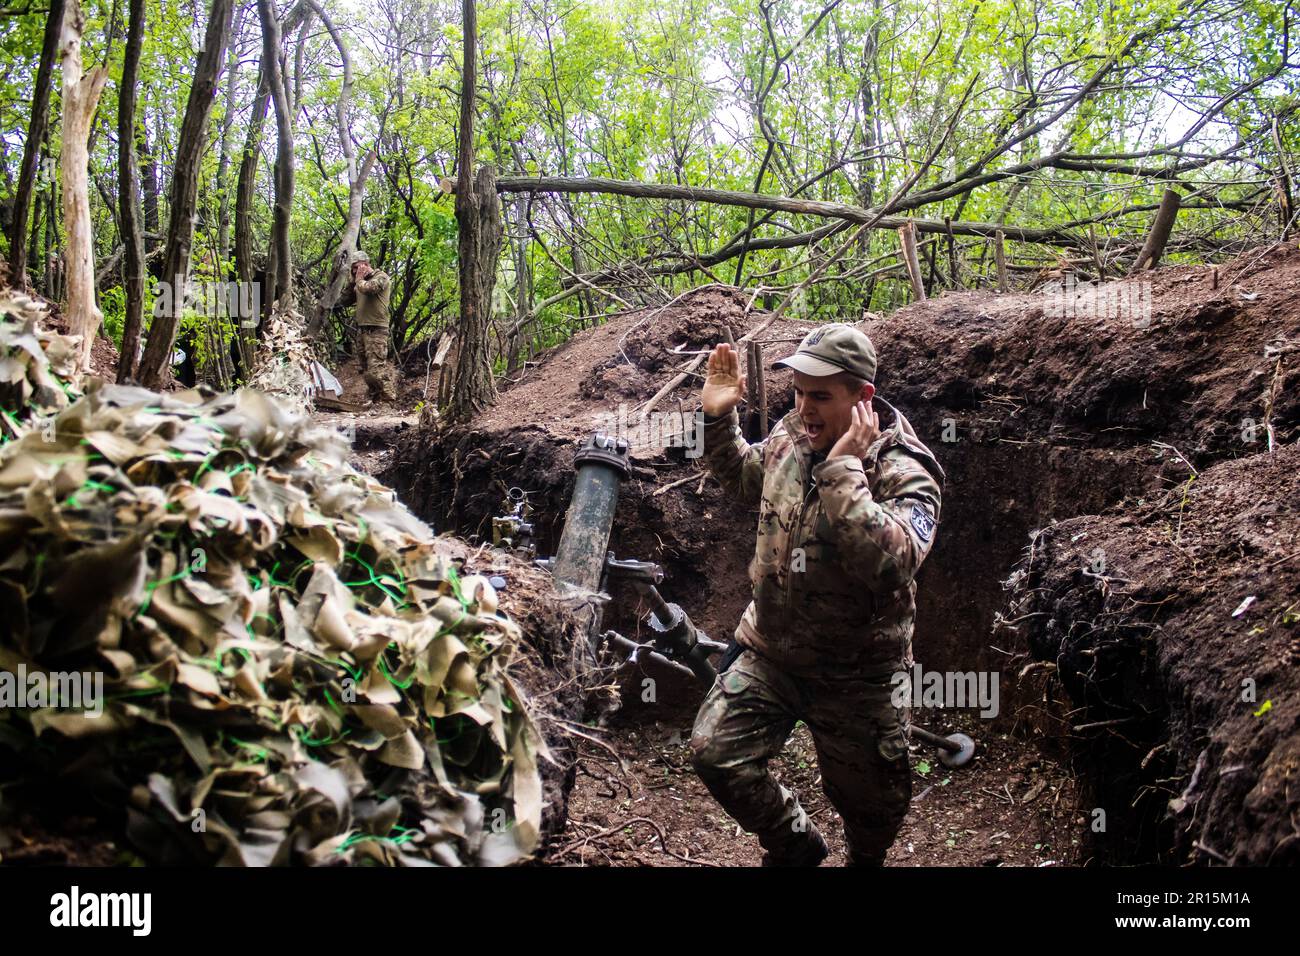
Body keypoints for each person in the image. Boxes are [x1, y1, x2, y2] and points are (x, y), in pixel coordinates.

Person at [690, 322, 945, 866]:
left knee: (874, 812)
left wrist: (842, 470)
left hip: (859, 675)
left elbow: (890, 564)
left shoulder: (905, 469)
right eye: (800, 392)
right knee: (716, 755)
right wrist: (717, 418)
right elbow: (743, 475)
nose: (805, 407)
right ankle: (796, 846)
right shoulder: (790, 434)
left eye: (821, 395)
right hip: (772, 652)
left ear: (862, 397)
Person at [348, 251, 396, 403]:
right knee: (365, 368)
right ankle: (376, 396)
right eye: (353, 269)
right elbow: (346, 298)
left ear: (366, 264)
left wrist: (358, 280)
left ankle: (389, 399)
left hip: (377, 329)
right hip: (362, 329)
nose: (355, 271)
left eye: (357, 267)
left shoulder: (381, 277)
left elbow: (368, 289)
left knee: (377, 368)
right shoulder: (359, 282)